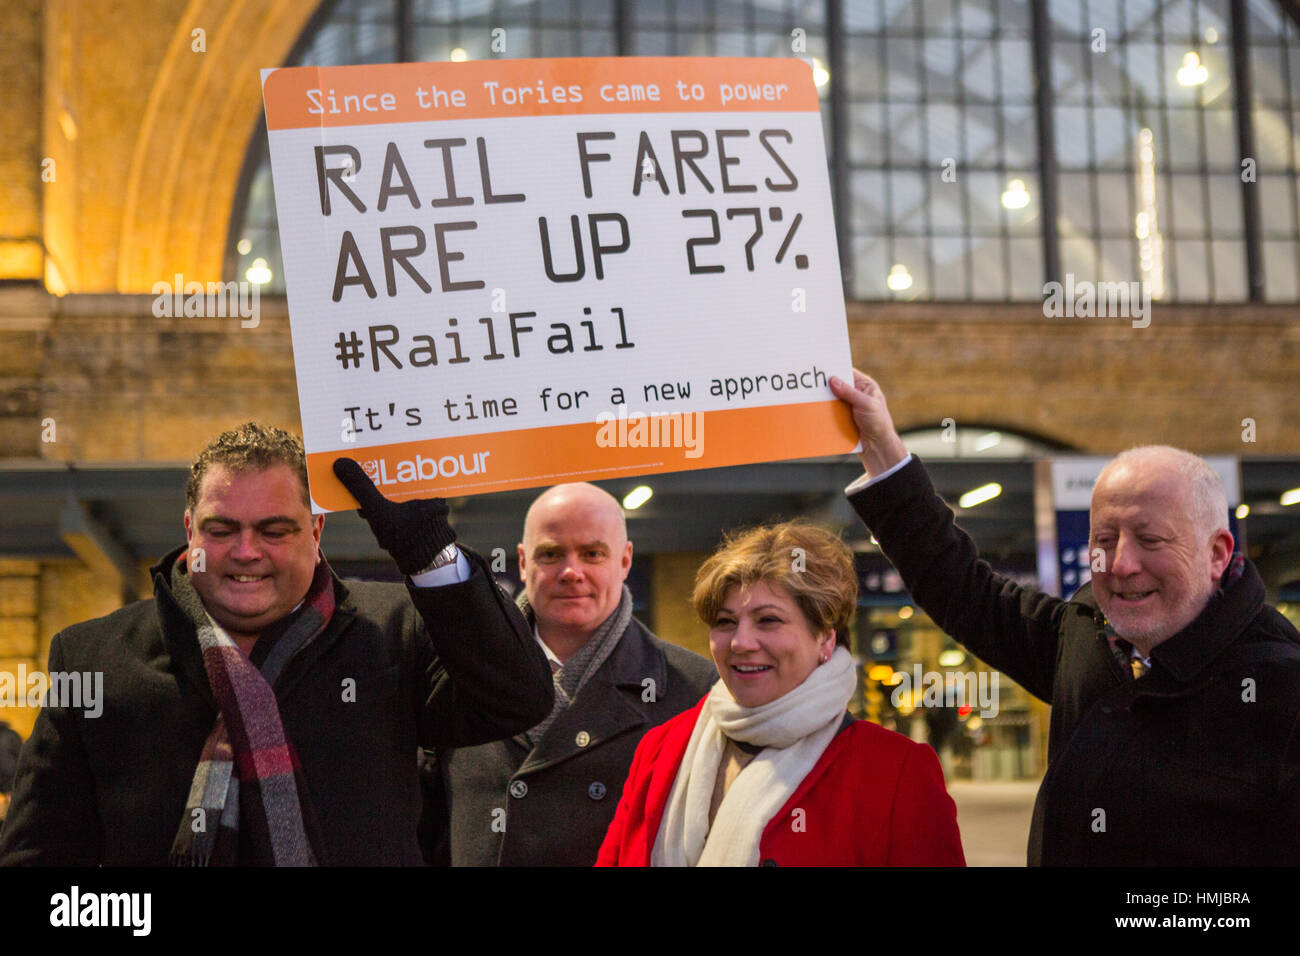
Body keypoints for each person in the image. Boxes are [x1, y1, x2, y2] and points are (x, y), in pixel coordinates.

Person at [0, 423, 552, 866]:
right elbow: (39, 854)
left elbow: (517, 698)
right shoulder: (92, 657)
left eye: (274, 530)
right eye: (221, 530)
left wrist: (430, 552)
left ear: (315, 533)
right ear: (189, 530)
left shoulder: (394, 631)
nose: (246, 551)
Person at [829, 369, 1300, 865]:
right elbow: (960, 587)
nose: (1121, 564)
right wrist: (882, 449)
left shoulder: (1282, 691)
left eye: (1151, 540)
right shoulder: (1086, 634)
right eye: (1104, 540)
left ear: (1217, 553)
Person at [596, 521, 966, 866]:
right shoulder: (661, 748)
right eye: (725, 622)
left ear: (824, 637)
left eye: (768, 620)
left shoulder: (897, 772)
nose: (741, 642)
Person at [435, 482, 716, 866]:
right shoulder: (454, 676)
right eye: (550, 554)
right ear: (522, 561)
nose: (571, 572)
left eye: (592, 554)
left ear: (624, 560)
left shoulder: (696, 690)